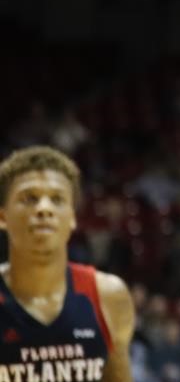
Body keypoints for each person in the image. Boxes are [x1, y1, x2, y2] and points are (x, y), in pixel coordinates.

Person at [1, 146, 137, 382]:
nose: (44, 209)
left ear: (73, 217)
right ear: (2, 217)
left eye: (57, 199)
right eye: (29, 198)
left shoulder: (109, 296)